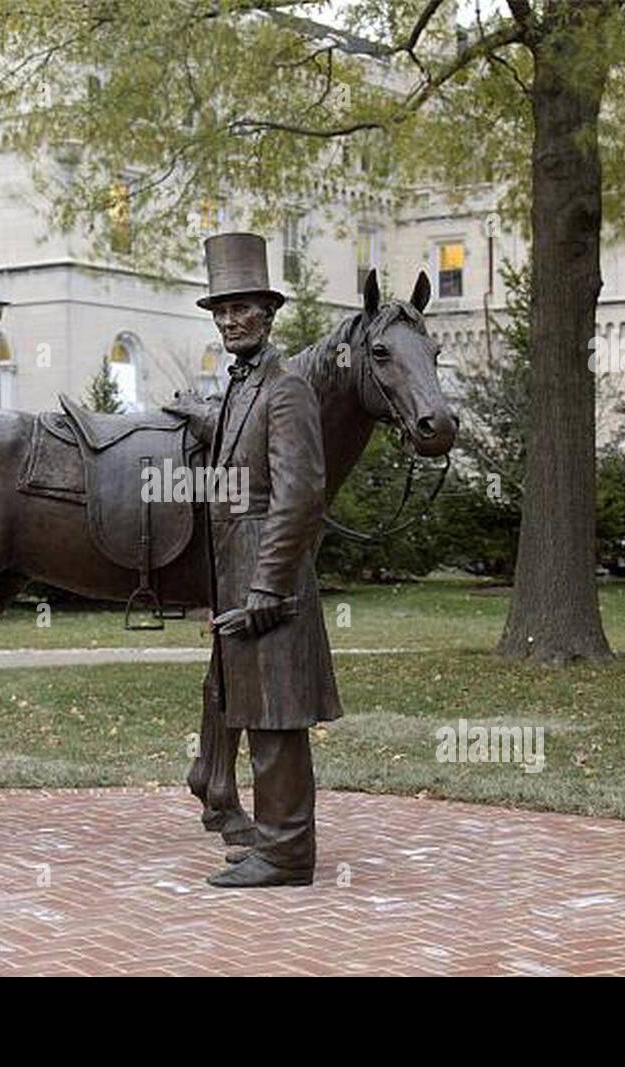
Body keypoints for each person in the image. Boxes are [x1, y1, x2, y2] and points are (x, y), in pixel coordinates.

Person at [166, 232, 343, 888]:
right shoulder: (244, 385)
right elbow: (247, 444)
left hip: (271, 583)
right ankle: (275, 839)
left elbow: (300, 494)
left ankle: (289, 853)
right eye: (222, 310)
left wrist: (268, 587)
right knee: (259, 712)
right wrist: (205, 420)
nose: (231, 319)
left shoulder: (289, 383)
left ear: (269, 314)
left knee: (277, 720)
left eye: (244, 308)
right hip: (240, 576)